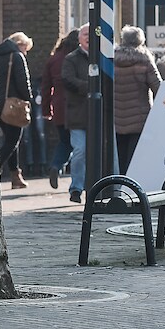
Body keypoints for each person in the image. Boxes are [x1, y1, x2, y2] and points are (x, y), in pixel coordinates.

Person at [113, 26, 162, 174]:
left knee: (120, 155)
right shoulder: (145, 60)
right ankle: (132, 187)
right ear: (141, 40)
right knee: (135, 156)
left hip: (116, 118)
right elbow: (158, 87)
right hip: (139, 118)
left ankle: (119, 184)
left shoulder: (112, 59)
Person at [41, 30, 79, 189]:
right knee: (79, 144)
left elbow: (45, 87)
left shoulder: (53, 59)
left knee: (64, 141)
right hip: (78, 107)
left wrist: (46, 110)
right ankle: (78, 183)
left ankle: (56, 165)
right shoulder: (78, 58)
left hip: (59, 106)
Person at [0, 32, 32, 189]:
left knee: (10, 139)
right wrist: (28, 98)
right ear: (20, 44)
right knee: (13, 140)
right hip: (13, 105)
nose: (26, 51)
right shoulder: (17, 57)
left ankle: (16, 176)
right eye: (26, 47)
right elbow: (23, 81)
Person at [60, 24, 92, 203]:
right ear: (79, 38)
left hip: (98, 116)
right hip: (78, 114)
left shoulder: (102, 58)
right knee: (80, 150)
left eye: (90, 34)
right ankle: (76, 189)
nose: (88, 37)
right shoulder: (71, 59)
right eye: (84, 34)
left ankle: (95, 187)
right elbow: (67, 80)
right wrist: (90, 86)